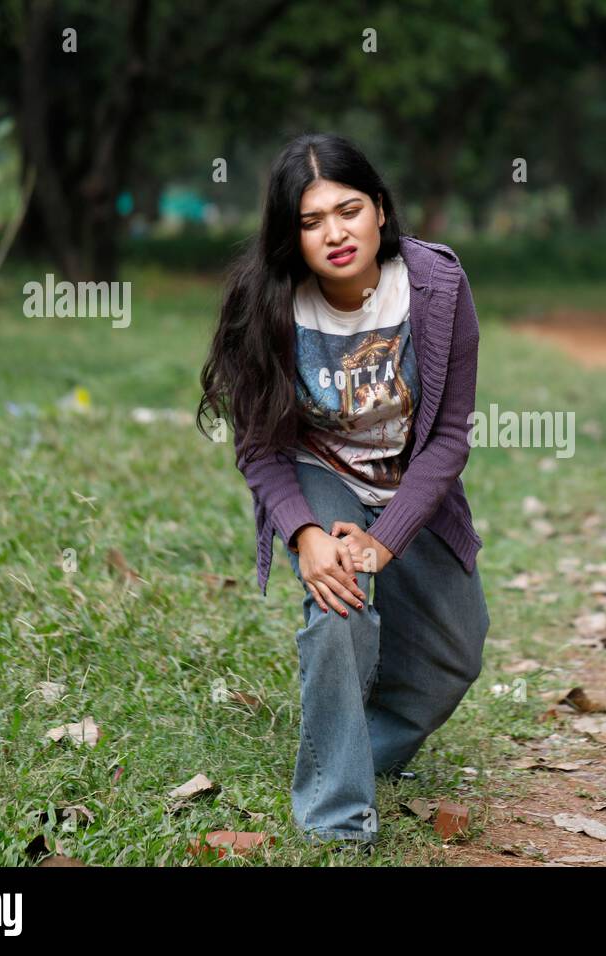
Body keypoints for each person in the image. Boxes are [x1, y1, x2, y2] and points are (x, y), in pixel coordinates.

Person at [198, 132, 490, 849]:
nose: (333, 233)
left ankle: (351, 753)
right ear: (289, 235)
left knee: (456, 655)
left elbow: (449, 436)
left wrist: (385, 541)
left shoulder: (437, 286)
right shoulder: (268, 303)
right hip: (318, 473)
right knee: (340, 607)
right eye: (309, 220)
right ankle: (336, 820)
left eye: (348, 210)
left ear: (381, 212)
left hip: (407, 483)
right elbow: (259, 447)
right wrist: (303, 532)